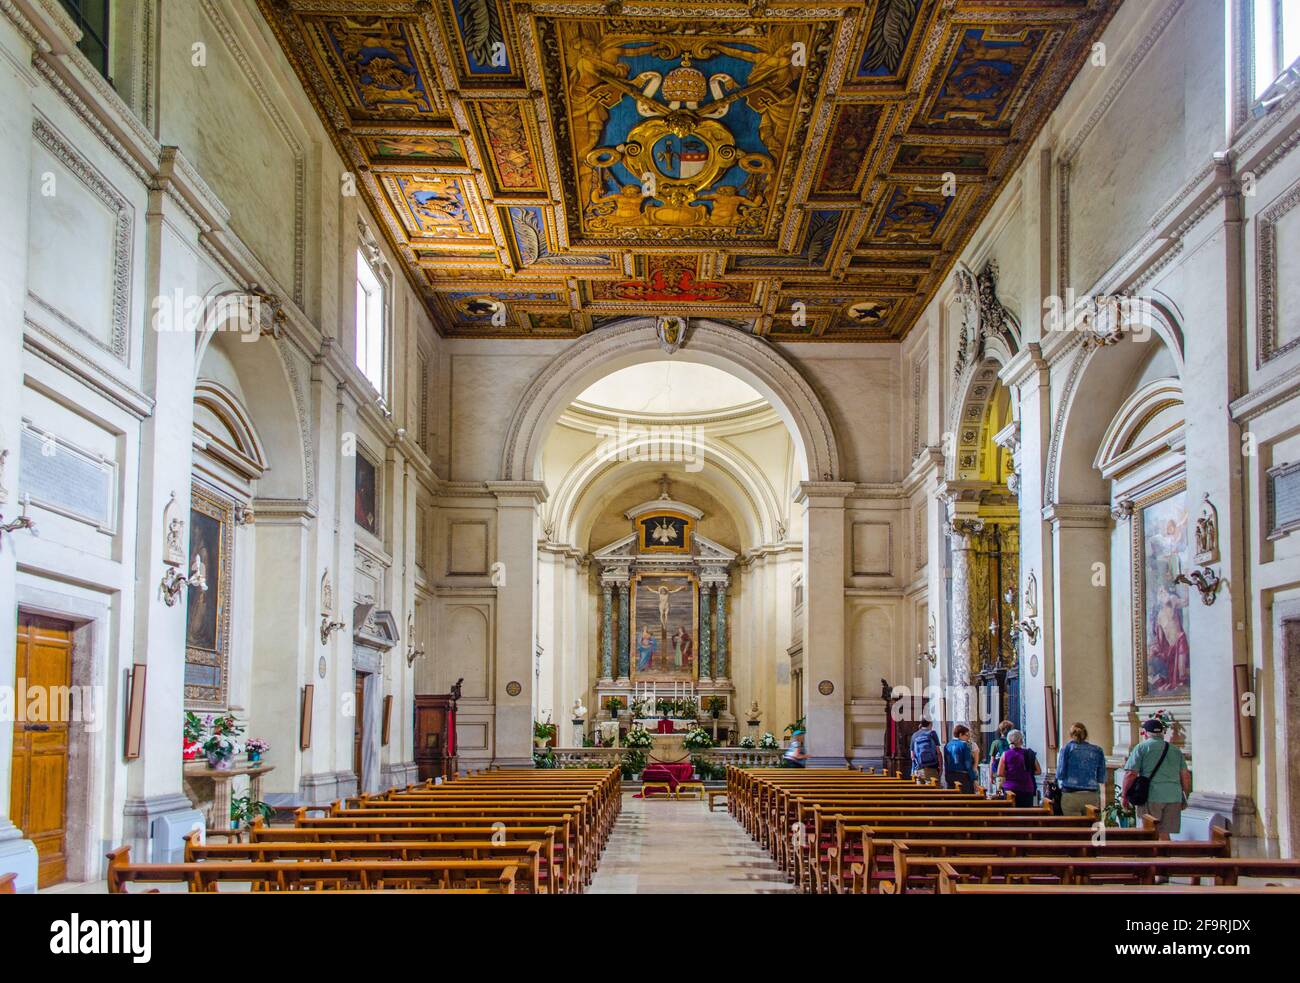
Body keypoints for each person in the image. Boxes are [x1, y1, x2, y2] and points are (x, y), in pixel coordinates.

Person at [1122, 718, 1191, 834]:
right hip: (1174, 796)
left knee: (1149, 832)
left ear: (1145, 733)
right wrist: (1185, 794)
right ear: (1162, 732)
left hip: (1152, 795)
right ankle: (1165, 852)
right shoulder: (1175, 750)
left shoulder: (1142, 747)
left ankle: (1153, 852)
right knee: (1165, 833)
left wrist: (1124, 795)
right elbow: (1185, 775)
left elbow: (1131, 774)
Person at [1056, 722, 1108, 816]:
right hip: (1091, 794)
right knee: (1090, 827)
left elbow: (1060, 774)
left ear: (1071, 735)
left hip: (1071, 794)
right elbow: (1102, 777)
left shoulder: (1067, 749)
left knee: (1072, 828)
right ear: (1086, 734)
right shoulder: (1097, 750)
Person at [997, 729, 1041, 807]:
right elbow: (1038, 771)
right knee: (1026, 815)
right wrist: (1027, 772)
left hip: (1010, 789)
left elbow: (999, 773)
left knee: (1011, 815)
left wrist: (1010, 773)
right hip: (1027, 788)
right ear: (1021, 740)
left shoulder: (1005, 754)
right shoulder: (1029, 753)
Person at [944, 724, 976, 792]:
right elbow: (968, 764)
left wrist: (946, 776)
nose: (968, 738)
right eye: (966, 735)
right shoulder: (964, 745)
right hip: (963, 777)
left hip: (950, 776)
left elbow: (946, 762)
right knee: (966, 799)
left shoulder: (947, 745)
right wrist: (973, 778)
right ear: (960, 734)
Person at [910, 718, 942, 783]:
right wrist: (941, 766)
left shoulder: (914, 735)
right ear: (930, 723)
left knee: (920, 791)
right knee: (933, 791)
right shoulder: (932, 733)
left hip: (918, 770)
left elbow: (912, 756)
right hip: (931, 768)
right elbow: (938, 752)